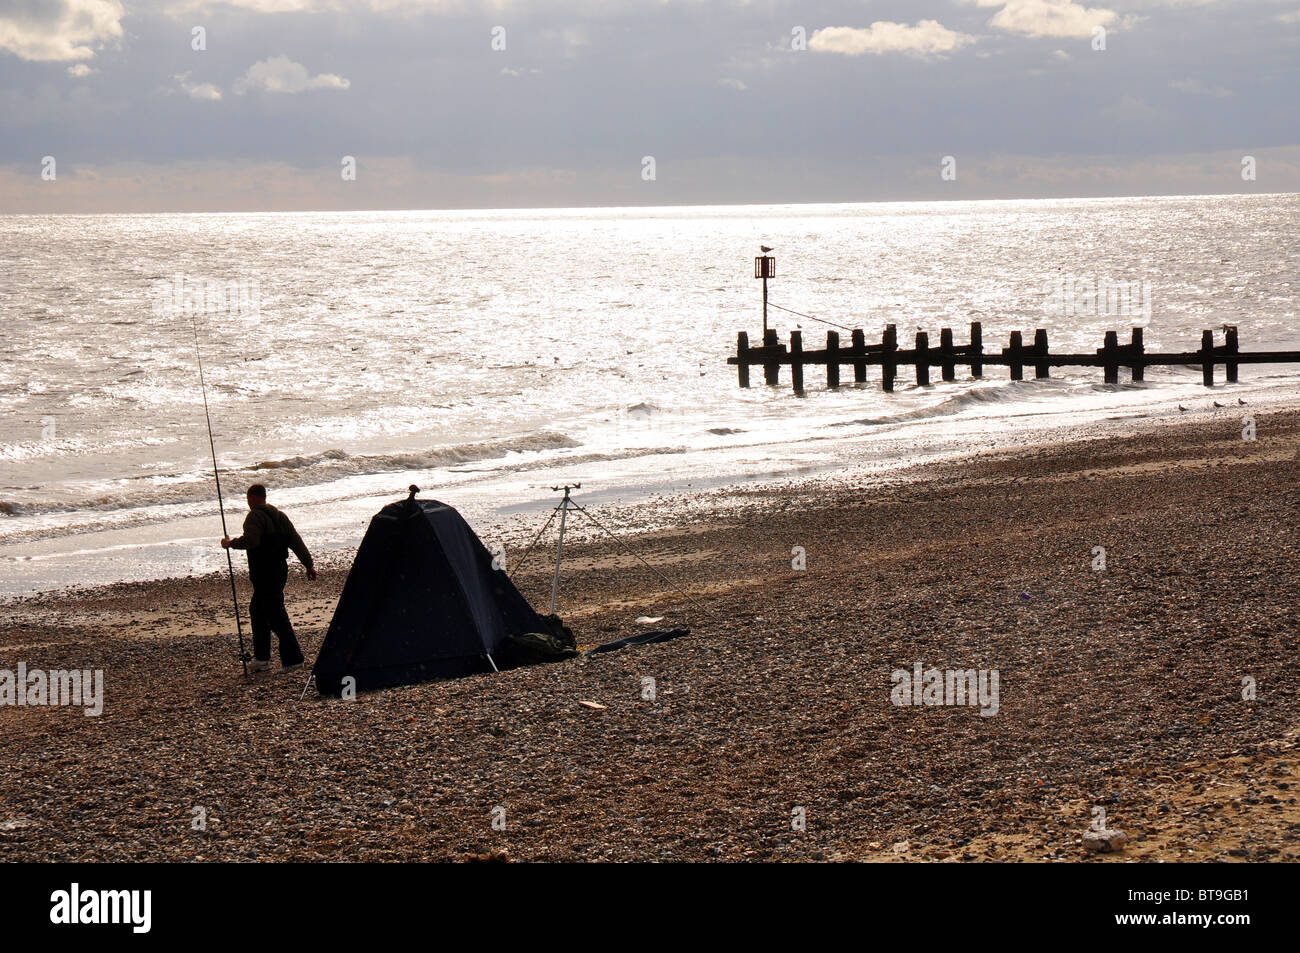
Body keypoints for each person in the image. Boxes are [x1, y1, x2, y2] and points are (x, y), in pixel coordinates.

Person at [221, 484, 317, 672]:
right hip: (279, 570)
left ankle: (293, 659)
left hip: (264, 572)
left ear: (252, 498)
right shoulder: (280, 516)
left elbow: (252, 541)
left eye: (248, 499)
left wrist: (230, 543)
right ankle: (262, 658)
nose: (248, 503)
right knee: (258, 610)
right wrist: (308, 564)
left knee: (275, 615)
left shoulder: (254, 516)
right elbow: (295, 541)